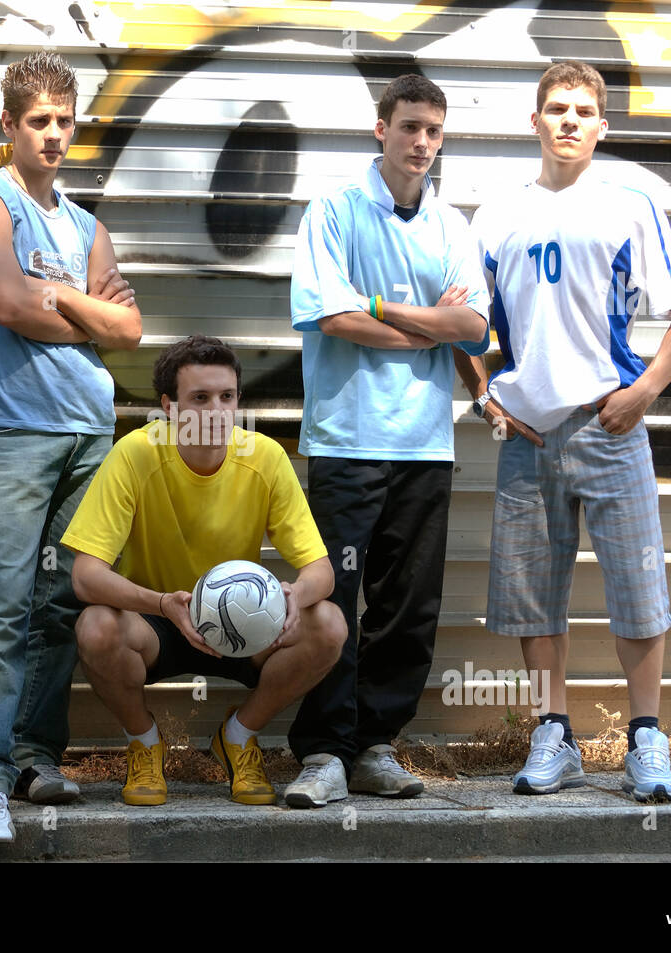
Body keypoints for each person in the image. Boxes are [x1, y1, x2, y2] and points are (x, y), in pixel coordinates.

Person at [455, 60, 671, 802]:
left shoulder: (628, 204)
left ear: (602, 125)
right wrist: (485, 398)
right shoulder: (495, 217)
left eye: (582, 110)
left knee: (636, 586)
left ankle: (646, 738)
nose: (568, 119)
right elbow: (469, 323)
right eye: (556, 108)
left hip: (609, 423)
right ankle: (554, 733)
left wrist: (643, 393)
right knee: (534, 597)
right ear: (534, 122)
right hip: (528, 433)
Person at [0, 51, 142, 842]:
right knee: (0, 604)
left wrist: (55, 293)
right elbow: (5, 304)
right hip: (13, 427)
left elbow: (128, 331)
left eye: (64, 120)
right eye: (39, 121)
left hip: (89, 429)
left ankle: (33, 756)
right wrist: (82, 308)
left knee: (61, 602)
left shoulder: (85, 224)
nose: (54, 134)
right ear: (10, 125)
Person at [287, 74, 491, 807]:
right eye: (409, 127)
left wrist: (384, 310)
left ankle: (375, 744)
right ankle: (322, 752)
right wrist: (419, 327)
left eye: (434, 131)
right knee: (333, 601)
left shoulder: (452, 226)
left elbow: (474, 327)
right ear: (381, 128)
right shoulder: (335, 210)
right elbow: (331, 314)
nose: (422, 143)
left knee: (408, 606)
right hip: (347, 439)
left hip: (426, 445)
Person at [63, 336, 347, 807]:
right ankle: (145, 744)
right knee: (95, 626)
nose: (216, 411)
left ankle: (237, 737)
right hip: (158, 623)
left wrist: (297, 594)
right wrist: (161, 604)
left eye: (227, 397)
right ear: (169, 407)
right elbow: (85, 575)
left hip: (241, 624)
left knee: (329, 623)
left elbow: (320, 569)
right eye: (199, 398)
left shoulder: (265, 457)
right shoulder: (135, 454)